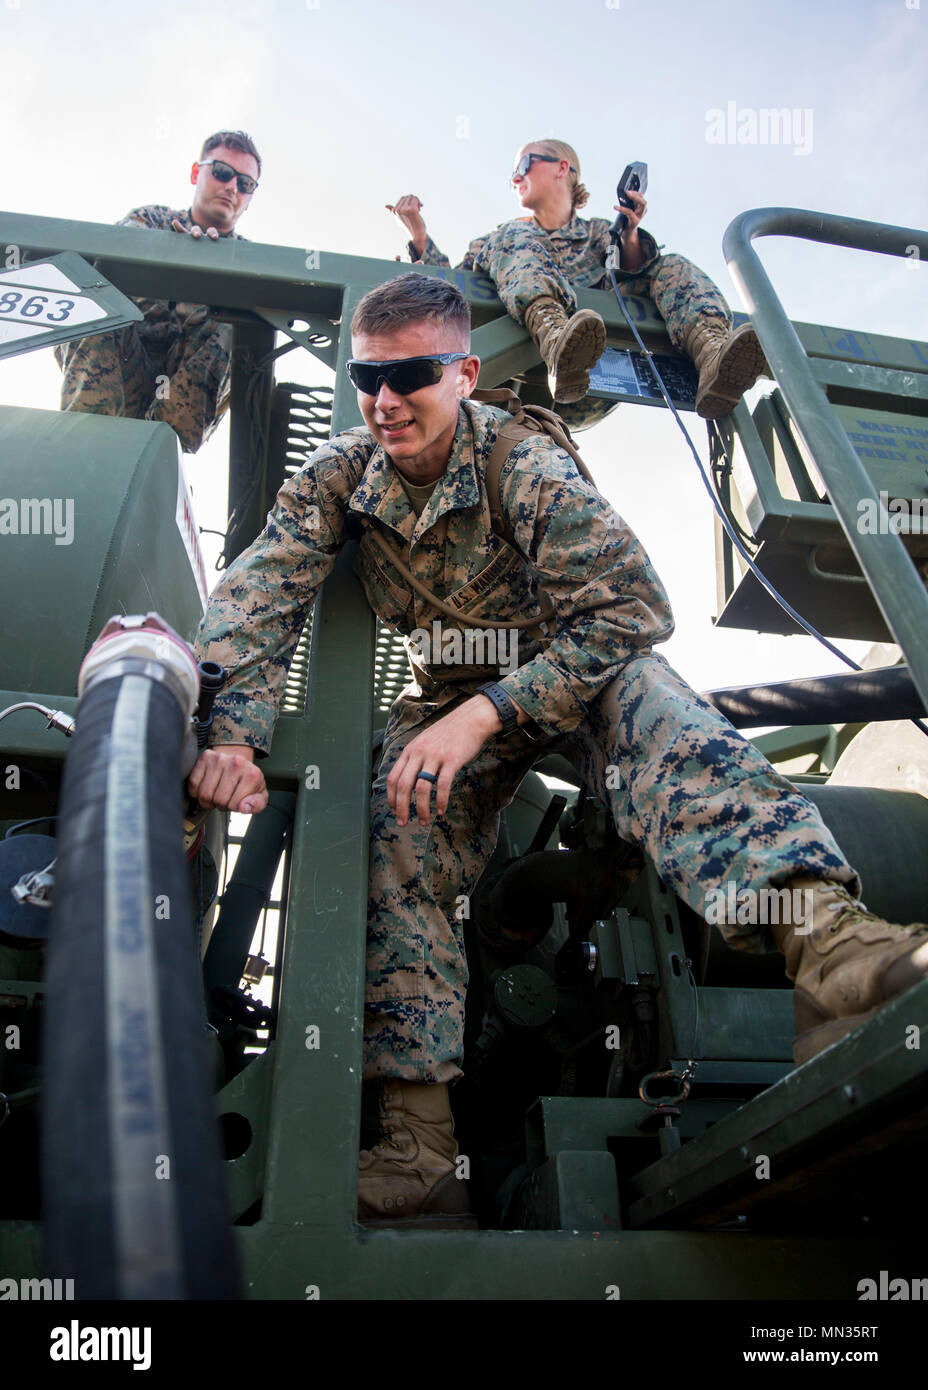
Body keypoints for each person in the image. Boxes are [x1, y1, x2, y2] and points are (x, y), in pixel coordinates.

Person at [187, 273, 927, 1228]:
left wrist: (491, 711)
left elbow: (633, 610)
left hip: (576, 676)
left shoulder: (519, 461)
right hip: (455, 695)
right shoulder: (341, 476)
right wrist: (234, 735)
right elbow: (255, 602)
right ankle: (419, 1137)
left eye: (409, 374)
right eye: (368, 375)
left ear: (460, 373)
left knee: (663, 711)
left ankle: (839, 958)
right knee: (395, 814)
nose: (383, 399)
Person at [387, 138, 766, 424]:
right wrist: (420, 237)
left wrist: (629, 233)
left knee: (673, 265)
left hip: (594, 376)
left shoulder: (599, 234)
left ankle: (714, 358)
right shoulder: (504, 240)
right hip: (521, 381)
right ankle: (555, 341)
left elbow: (635, 274)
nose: (515, 176)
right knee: (515, 236)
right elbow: (451, 292)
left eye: (524, 163)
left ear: (561, 167)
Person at [54, 130, 261, 453]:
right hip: (119, 374)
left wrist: (216, 272)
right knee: (97, 304)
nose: (232, 187)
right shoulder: (151, 220)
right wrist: (173, 252)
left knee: (241, 324)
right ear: (197, 172)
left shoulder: (253, 263)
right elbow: (107, 256)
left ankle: (163, 455)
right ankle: (80, 447)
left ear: (250, 198)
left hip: (180, 409)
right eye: (222, 172)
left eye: (245, 183)